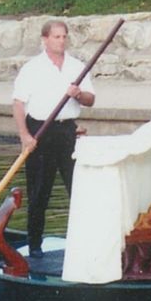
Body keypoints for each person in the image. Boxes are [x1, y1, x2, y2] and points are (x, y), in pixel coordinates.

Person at [12, 20, 95, 255]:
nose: (61, 41)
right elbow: (18, 103)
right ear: (45, 39)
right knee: (39, 191)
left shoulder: (76, 66)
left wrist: (78, 94)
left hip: (67, 131)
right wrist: (24, 136)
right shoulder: (32, 68)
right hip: (40, 131)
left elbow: (91, 100)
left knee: (77, 188)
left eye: (64, 37)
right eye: (56, 37)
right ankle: (35, 245)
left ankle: (84, 242)